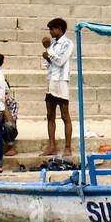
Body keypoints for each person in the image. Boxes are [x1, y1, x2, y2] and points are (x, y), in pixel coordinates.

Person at [42, 18, 73, 158]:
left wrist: (49, 52)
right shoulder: (53, 44)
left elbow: (60, 61)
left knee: (65, 116)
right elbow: (47, 64)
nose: (50, 32)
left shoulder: (68, 43)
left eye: (52, 29)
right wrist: (47, 55)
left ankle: (68, 147)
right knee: (50, 115)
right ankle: (52, 146)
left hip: (61, 82)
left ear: (59, 29)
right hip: (50, 82)